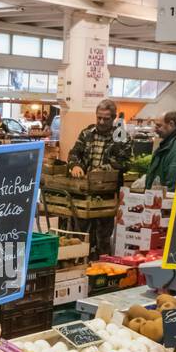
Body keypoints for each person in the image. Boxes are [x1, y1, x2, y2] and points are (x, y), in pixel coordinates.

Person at [67, 99, 130, 257]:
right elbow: (74, 153)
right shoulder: (87, 133)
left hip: (106, 195)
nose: (101, 121)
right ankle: (78, 264)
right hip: (83, 193)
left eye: (106, 119)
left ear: (114, 118)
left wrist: (102, 170)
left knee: (103, 236)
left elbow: (125, 162)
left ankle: (101, 268)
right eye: (99, 117)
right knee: (80, 235)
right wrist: (75, 165)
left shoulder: (121, 137)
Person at [143, 110, 176, 190]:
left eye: (159, 126)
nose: (155, 129)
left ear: (171, 124)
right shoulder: (170, 142)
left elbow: (174, 182)